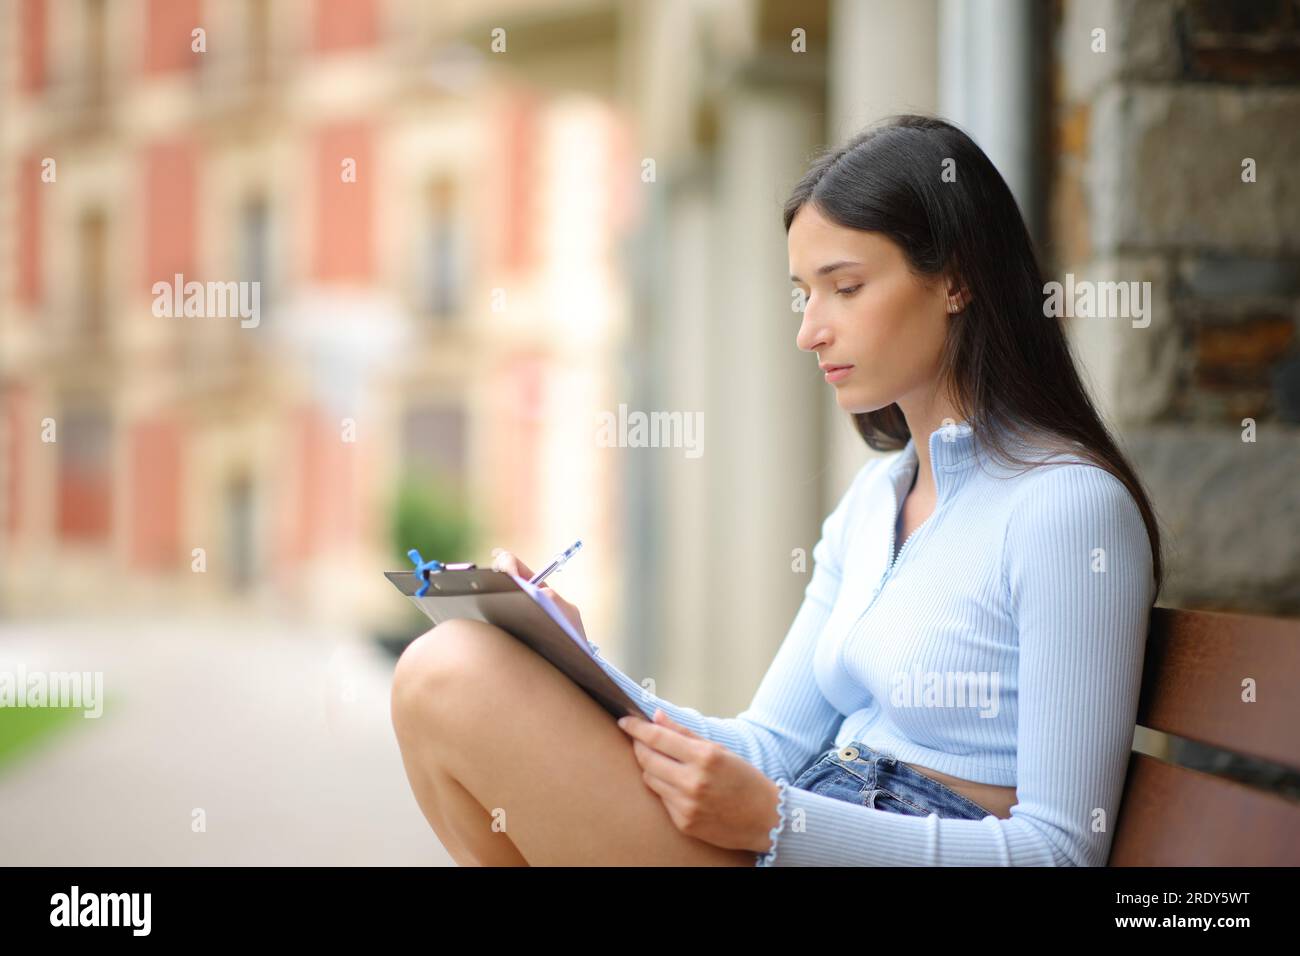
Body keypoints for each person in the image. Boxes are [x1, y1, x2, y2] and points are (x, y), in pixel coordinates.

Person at [390, 113, 1163, 866]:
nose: (811, 330)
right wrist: (574, 656)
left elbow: (1061, 851)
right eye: (805, 294)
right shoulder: (875, 501)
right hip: (794, 830)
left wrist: (781, 823)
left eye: (846, 287)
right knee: (442, 674)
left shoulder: (1068, 509)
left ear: (956, 280)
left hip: (816, 840)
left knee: (452, 675)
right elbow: (768, 747)